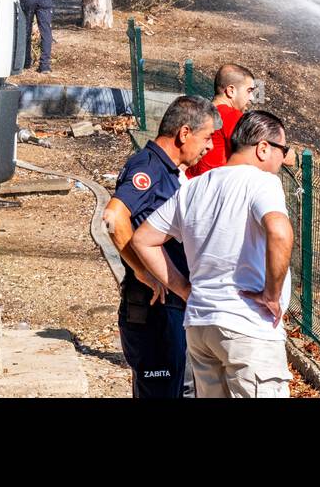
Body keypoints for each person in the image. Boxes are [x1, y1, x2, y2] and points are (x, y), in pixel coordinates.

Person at [132, 110, 296, 398]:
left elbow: (144, 239)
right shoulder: (262, 182)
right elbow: (280, 232)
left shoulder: (194, 187)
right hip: (247, 328)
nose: (283, 160)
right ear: (263, 148)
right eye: (283, 150)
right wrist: (271, 295)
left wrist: (184, 289)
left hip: (200, 326)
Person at [103, 95, 220, 398]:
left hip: (169, 306)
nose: (209, 146)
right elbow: (115, 217)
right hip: (155, 308)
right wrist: (142, 270)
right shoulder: (149, 168)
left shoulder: (166, 170)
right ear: (184, 134)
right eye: (206, 138)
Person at [188, 63, 257, 179]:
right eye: (249, 91)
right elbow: (256, 151)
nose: (252, 98)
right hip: (212, 188)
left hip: (190, 184)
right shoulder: (231, 115)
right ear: (231, 91)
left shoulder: (198, 110)